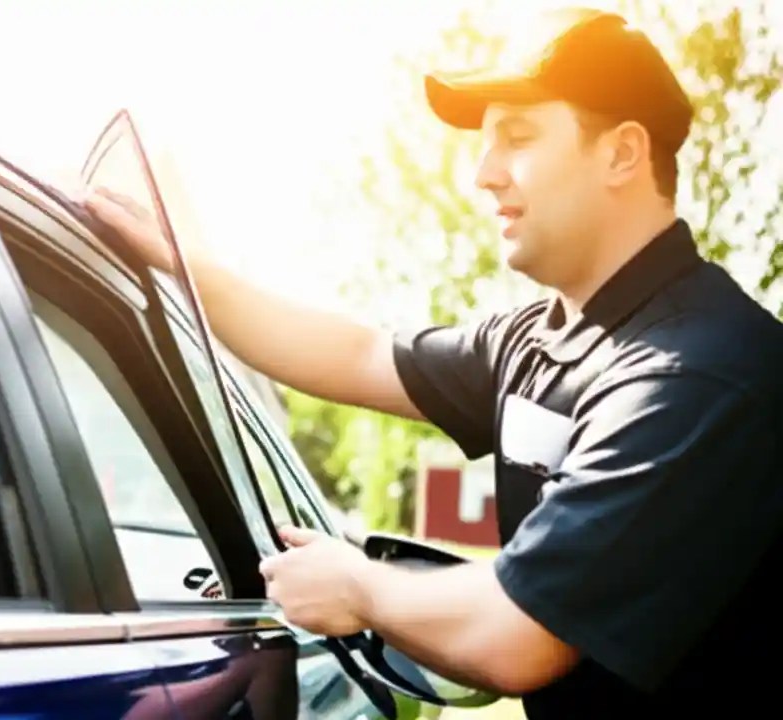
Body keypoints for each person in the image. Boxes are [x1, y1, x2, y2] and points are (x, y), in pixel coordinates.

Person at [76, 6, 783, 719]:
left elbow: (517, 633)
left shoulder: (695, 374)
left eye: (519, 136)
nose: (483, 173)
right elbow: (359, 354)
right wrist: (181, 265)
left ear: (622, 153)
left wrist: (357, 586)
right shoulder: (540, 337)